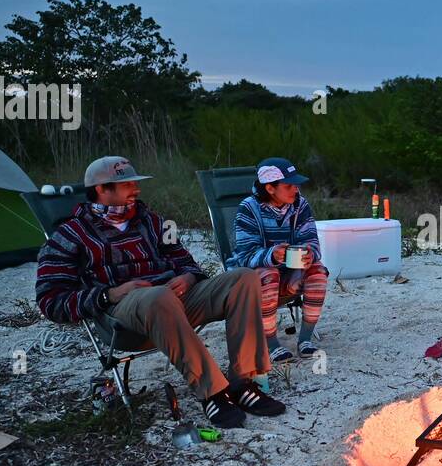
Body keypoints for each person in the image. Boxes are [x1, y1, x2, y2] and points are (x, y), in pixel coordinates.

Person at [35, 156, 285, 427]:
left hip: (177, 303)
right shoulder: (71, 235)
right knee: (158, 296)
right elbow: (51, 301)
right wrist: (110, 294)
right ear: (102, 189)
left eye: (135, 182)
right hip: (124, 317)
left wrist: (189, 278)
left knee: (244, 279)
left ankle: (242, 383)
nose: (136, 188)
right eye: (126, 184)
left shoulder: (153, 222)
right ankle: (212, 392)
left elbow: (187, 262)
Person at [225, 157, 329, 362]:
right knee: (269, 272)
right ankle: (271, 344)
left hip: (290, 275)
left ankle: (305, 340)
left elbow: (312, 242)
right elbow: (245, 256)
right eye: (289, 186)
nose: (296, 190)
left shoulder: (300, 206)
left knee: (317, 270)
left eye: (296, 184)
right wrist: (271, 255)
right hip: (253, 279)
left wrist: (310, 253)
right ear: (270, 188)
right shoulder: (249, 209)